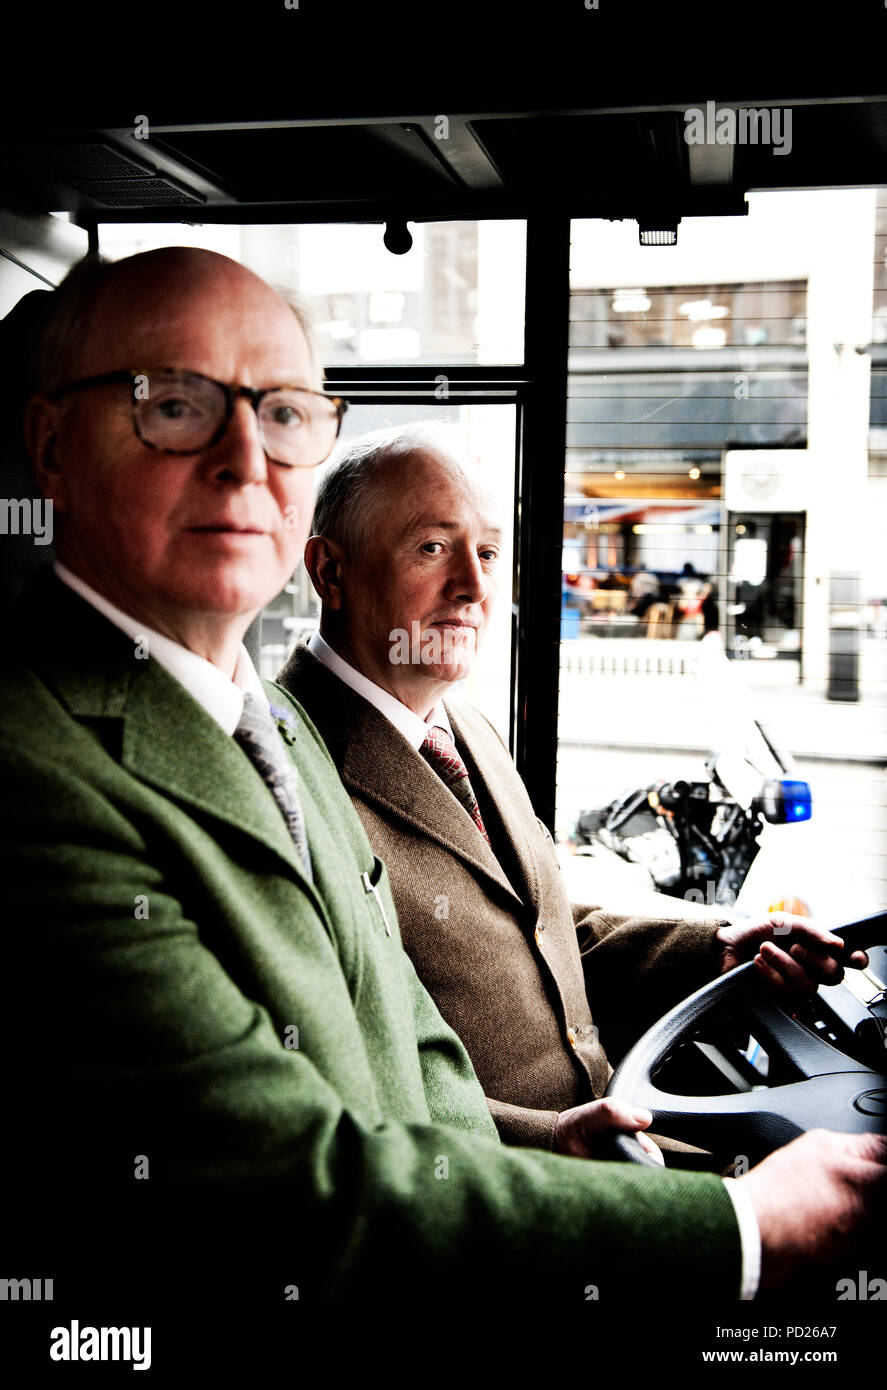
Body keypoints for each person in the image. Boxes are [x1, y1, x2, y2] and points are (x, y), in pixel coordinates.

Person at [2, 251, 881, 1308]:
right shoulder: (33, 769)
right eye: (173, 405)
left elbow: (406, 1032)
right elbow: (289, 1191)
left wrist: (552, 1136)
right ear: (50, 445)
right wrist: (742, 1229)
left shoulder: (265, 715)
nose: (245, 458)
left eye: (281, 413)